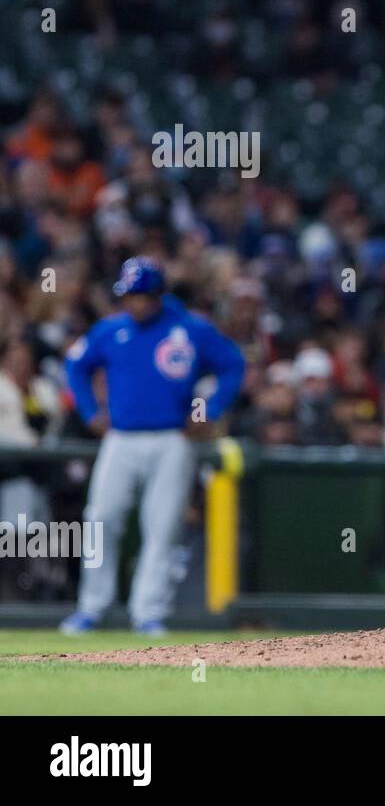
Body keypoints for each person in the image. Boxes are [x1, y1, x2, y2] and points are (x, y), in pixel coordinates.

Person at [58, 257, 245, 636]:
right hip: (121, 437)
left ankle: (148, 611)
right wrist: (91, 412)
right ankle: (92, 607)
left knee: (161, 526)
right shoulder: (110, 330)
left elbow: (233, 364)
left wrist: (206, 409)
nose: (135, 303)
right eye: (129, 295)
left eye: (142, 295)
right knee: (100, 519)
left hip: (172, 438)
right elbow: (76, 367)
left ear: (159, 294)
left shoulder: (189, 329)